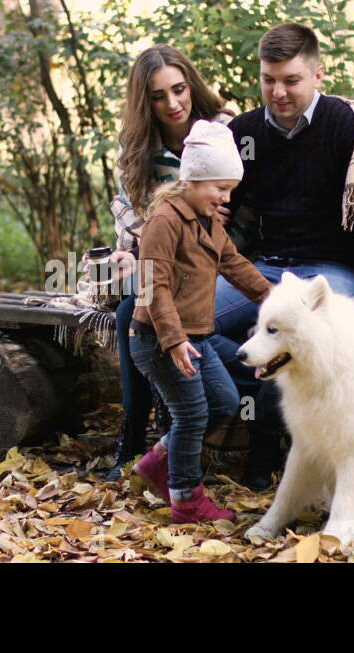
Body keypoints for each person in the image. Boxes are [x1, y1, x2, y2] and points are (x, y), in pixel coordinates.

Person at [210, 23, 354, 488]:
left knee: (317, 337)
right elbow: (223, 214)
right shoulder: (244, 133)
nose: (279, 92)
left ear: (317, 76)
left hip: (331, 274)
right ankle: (254, 404)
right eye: (269, 79)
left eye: (291, 80)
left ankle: (266, 449)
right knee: (192, 321)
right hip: (267, 266)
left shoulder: (349, 124)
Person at [129, 120, 273, 523]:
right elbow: (151, 285)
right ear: (193, 178)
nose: (226, 198)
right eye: (220, 189)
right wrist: (173, 341)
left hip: (198, 337)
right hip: (158, 339)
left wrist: (273, 298)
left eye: (230, 190)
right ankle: (186, 499)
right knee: (191, 414)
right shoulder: (165, 220)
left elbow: (233, 263)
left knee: (225, 402)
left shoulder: (208, 220)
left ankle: (159, 460)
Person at [104, 44, 233, 481]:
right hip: (157, 265)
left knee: (138, 312)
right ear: (146, 103)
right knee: (130, 311)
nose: (173, 104)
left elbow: (247, 211)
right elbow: (131, 215)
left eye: (179, 90)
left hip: (213, 264)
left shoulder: (223, 130)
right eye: (159, 96)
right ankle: (133, 434)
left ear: (191, 85)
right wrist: (130, 249)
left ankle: (169, 439)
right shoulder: (139, 148)